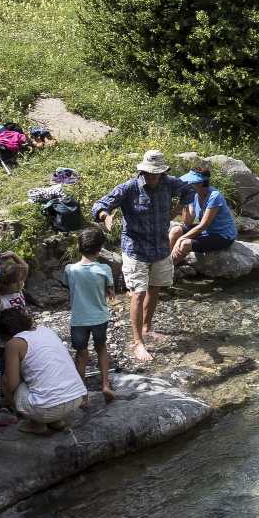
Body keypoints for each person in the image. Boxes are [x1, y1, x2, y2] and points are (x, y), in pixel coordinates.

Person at [92, 149, 175, 362]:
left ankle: (147, 328)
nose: (153, 178)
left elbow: (191, 191)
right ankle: (138, 342)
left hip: (160, 248)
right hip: (136, 249)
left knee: (155, 287)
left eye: (156, 174)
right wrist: (105, 215)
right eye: (149, 174)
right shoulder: (129, 188)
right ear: (142, 171)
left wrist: (185, 207)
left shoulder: (169, 183)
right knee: (138, 293)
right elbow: (100, 204)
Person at [0, 308, 89, 434]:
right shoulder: (46, 330)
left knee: (5, 380)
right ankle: (56, 420)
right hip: (76, 399)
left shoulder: (14, 343)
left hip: (46, 408)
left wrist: (6, 394)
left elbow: (11, 384)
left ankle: (36, 423)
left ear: (3, 334)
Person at [65, 228, 117, 401]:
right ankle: (105, 385)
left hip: (79, 319)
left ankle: (83, 393)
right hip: (99, 317)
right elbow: (110, 292)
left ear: (79, 247)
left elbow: (69, 287)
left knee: (81, 354)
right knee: (101, 348)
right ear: (100, 248)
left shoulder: (70, 269)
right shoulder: (104, 269)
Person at [170, 168, 238, 266]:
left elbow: (203, 226)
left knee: (185, 243)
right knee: (175, 231)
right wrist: (185, 201)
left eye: (191, 182)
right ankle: (165, 262)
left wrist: (181, 238)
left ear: (201, 183)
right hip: (207, 231)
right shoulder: (194, 195)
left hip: (223, 235)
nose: (187, 184)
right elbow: (187, 222)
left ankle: (169, 270)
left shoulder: (214, 196)